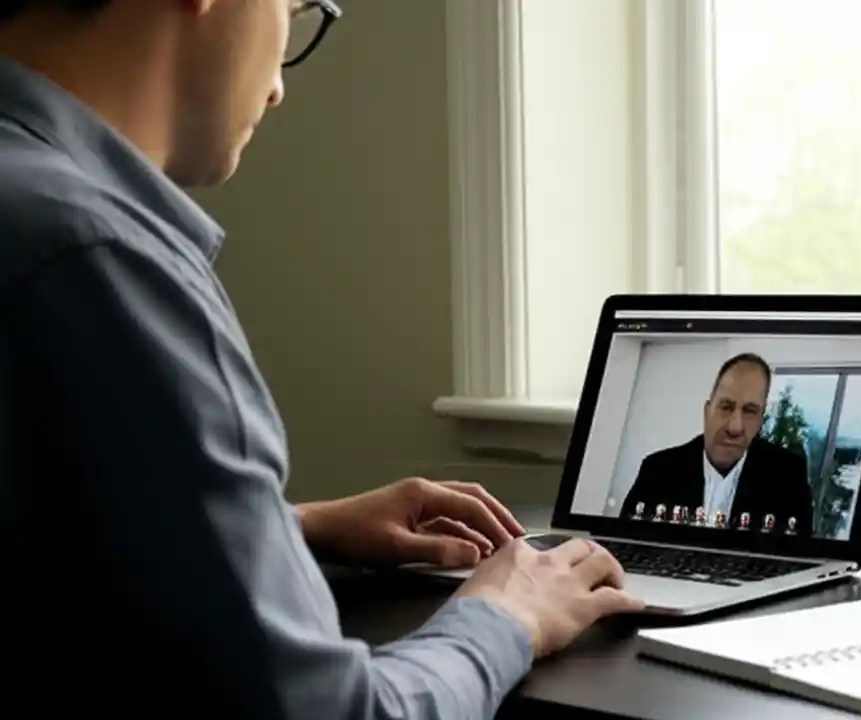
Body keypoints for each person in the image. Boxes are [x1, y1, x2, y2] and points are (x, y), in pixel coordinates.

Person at [0, 2, 642, 719]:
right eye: (295, 7)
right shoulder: (100, 261)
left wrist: (289, 525)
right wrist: (507, 614)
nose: (277, 87)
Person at [621, 353, 813, 537]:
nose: (735, 427)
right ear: (707, 410)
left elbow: (799, 554)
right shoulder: (657, 470)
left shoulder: (789, 476)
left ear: (760, 420)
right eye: (725, 407)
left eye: (750, 411)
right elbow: (625, 546)